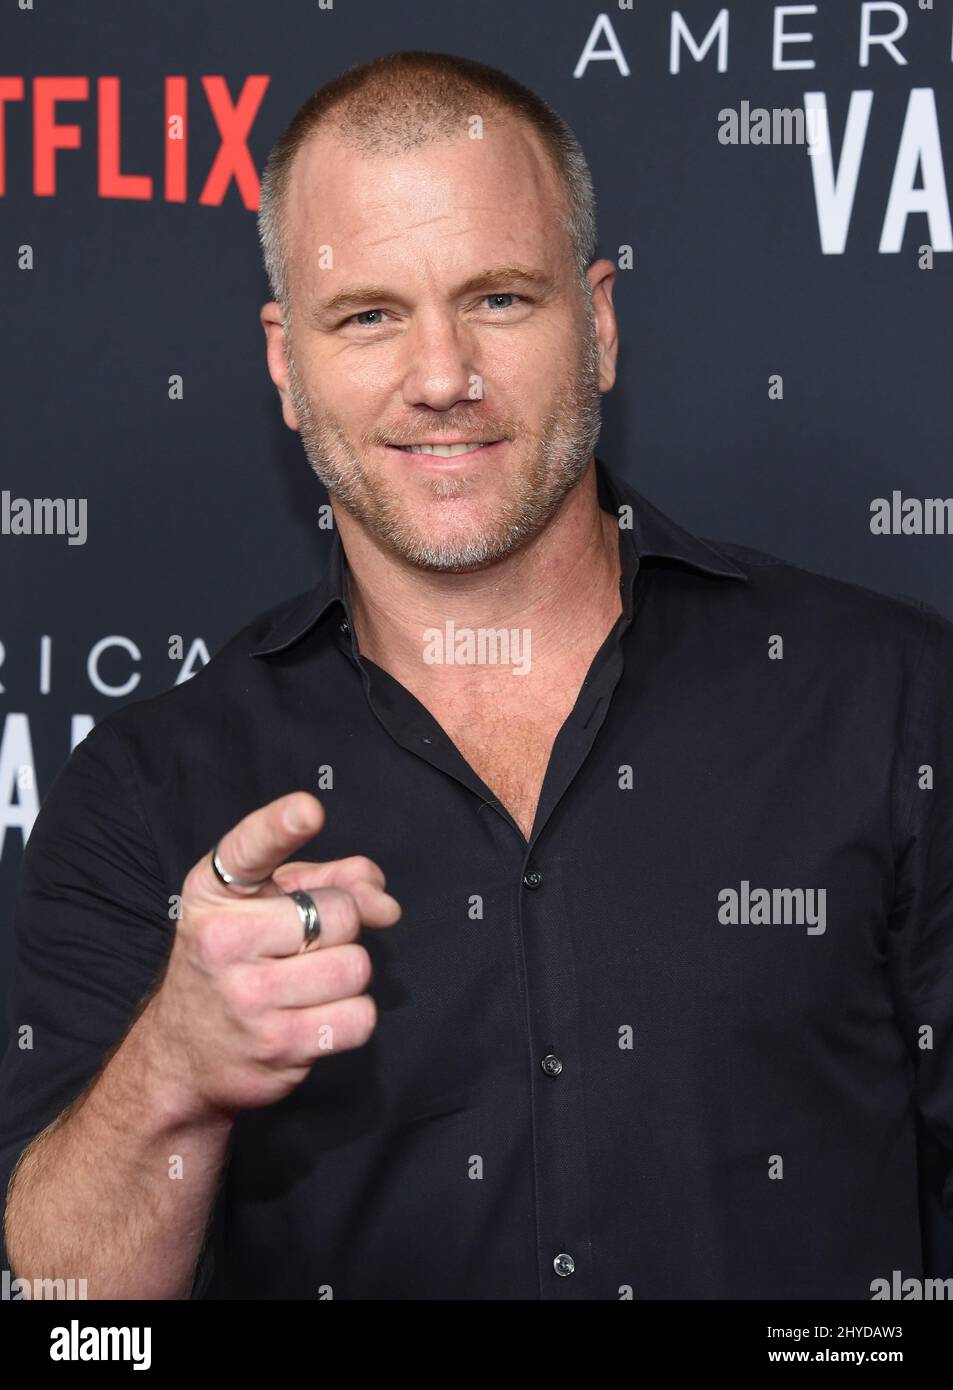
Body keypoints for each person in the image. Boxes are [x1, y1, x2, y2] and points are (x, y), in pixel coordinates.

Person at [2, 50, 951, 1301]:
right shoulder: (146, 793)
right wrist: (174, 1072)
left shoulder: (887, 701)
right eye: (369, 315)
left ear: (599, 323)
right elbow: (78, 1315)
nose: (442, 377)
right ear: (286, 368)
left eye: (500, 299)